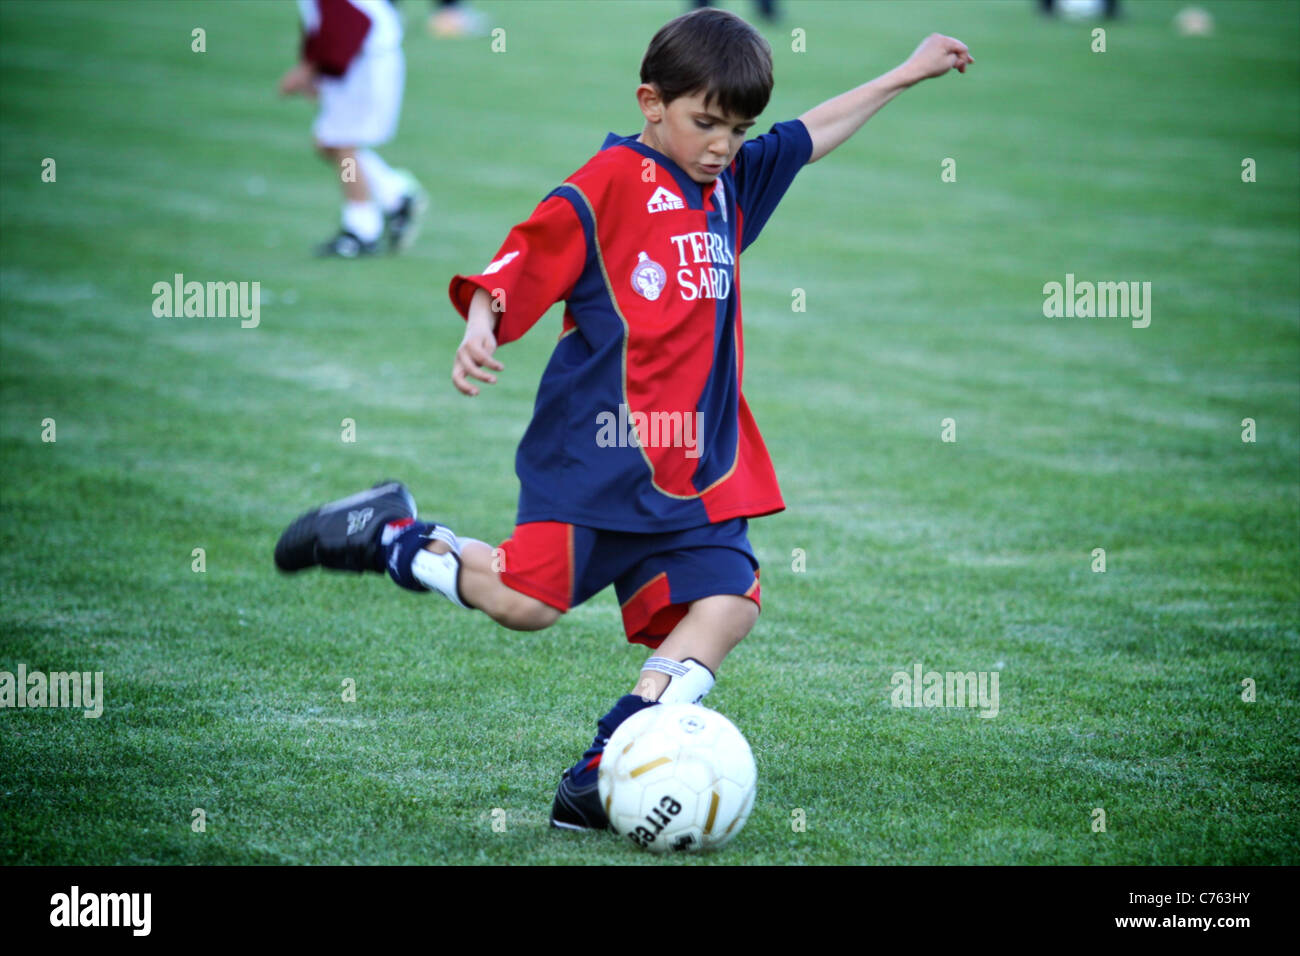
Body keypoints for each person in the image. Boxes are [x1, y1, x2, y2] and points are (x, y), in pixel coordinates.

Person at [274, 9, 971, 830]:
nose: (722, 145)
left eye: (737, 130)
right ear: (652, 103)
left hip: (697, 474)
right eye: (704, 122)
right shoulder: (610, 183)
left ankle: (609, 757)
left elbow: (809, 134)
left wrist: (903, 73)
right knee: (524, 605)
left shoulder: (733, 184)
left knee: (730, 601)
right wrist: (484, 319)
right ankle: (393, 534)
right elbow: (526, 254)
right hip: (597, 462)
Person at [280, 0, 427, 257]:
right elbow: (321, 21)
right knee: (328, 143)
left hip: (365, 59)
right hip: (362, 56)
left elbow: (349, 21)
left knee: (340, 142)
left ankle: (361, 229)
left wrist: (308, 70)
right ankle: (396, 194)